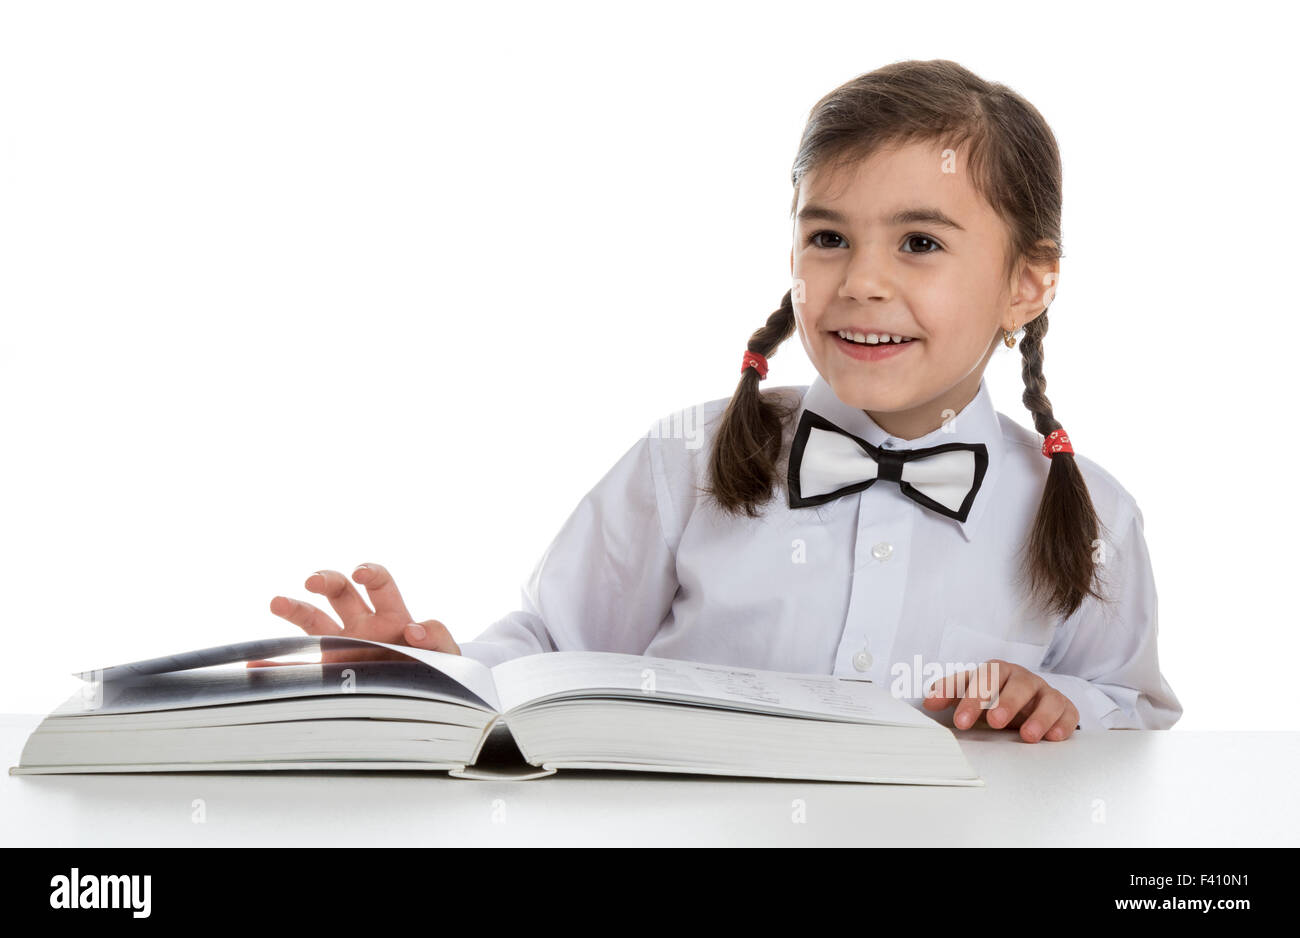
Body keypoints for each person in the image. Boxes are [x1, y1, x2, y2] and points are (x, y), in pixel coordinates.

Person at [262, 59, 1182, 743]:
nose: (861, 281)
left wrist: (1067, 706)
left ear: (1028, 283)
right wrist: (434, 668)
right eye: (828, 236)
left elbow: (1134, 712)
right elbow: (554, 639)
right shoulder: (684, 460)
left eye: (920, 244)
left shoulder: (1093, 511)